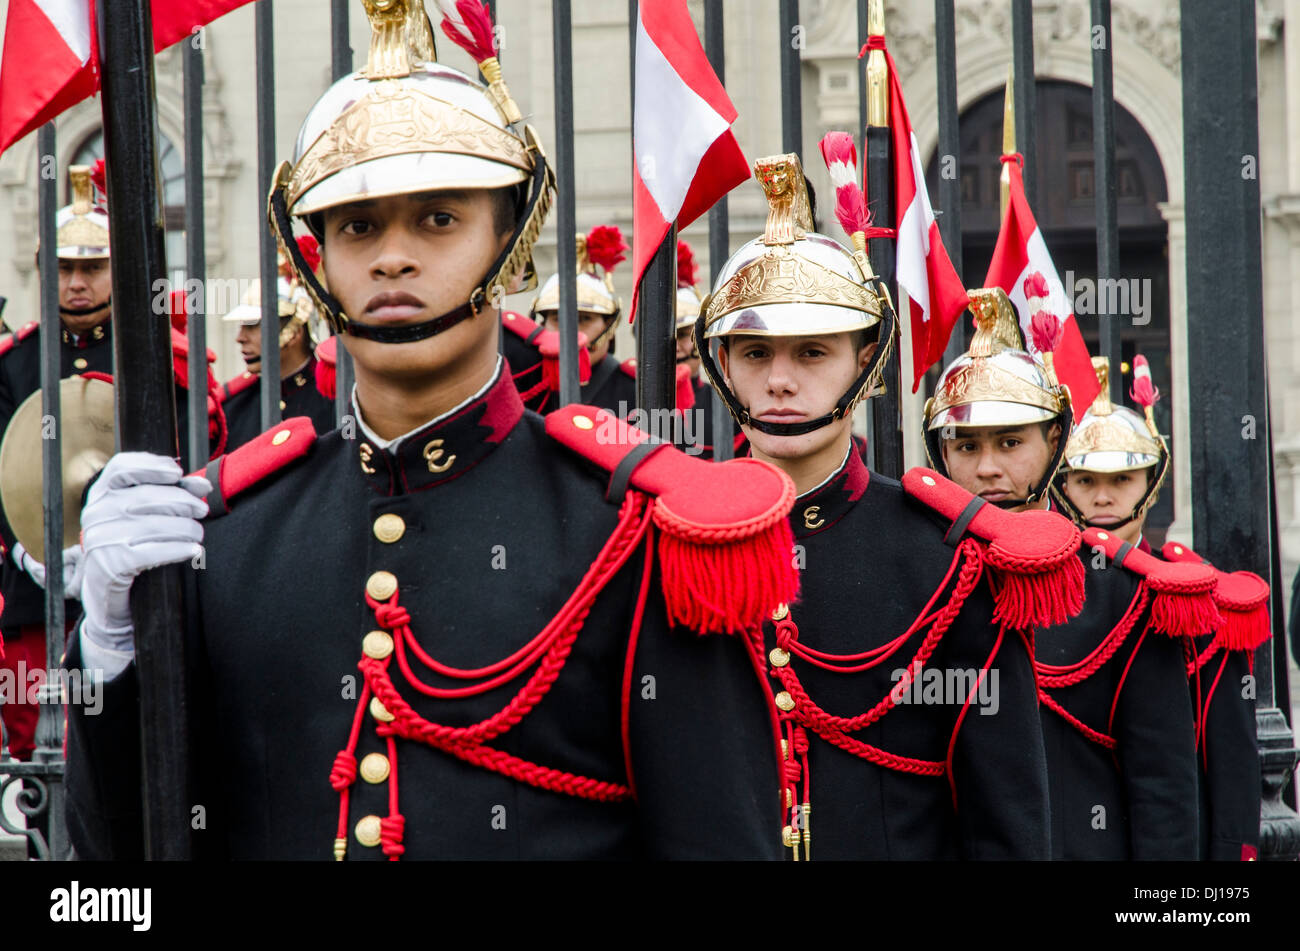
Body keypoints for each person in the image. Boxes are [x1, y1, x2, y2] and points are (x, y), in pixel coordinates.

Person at [65, 0, 791, 861]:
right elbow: (120, 863)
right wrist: (112, 652)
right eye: (358, 226)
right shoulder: (232, 533)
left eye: (438, 219)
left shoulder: (627, 537)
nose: (393, 256)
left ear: (509, 240)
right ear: (317, 260)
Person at [695, 151, 1071, 860]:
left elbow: (1005, 821)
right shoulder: (667, 543)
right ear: (722, 364)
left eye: (811, 352)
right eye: (752, 353)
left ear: (865, 361)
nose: (778, 381)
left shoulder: (949, 560)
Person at [924, 297, 1204, 859]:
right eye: (967, 445)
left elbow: (1162, 794)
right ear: (939, 451)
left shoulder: (1121, 593)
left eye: (1010, 443)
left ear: (1054, 443)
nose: (987, 468)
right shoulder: (914, 576)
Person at [1056, 355, 1266, 860]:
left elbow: (1232, 763)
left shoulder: (1197, 596)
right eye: (1084, 481)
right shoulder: (1050, 597)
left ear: (1152, 482)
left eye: (1121, 480)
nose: (1102, 497)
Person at [219, 273, 335, 452]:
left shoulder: (333, 401)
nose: (240, 338)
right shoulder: (234, 405)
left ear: (294, 332)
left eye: (252, 326)